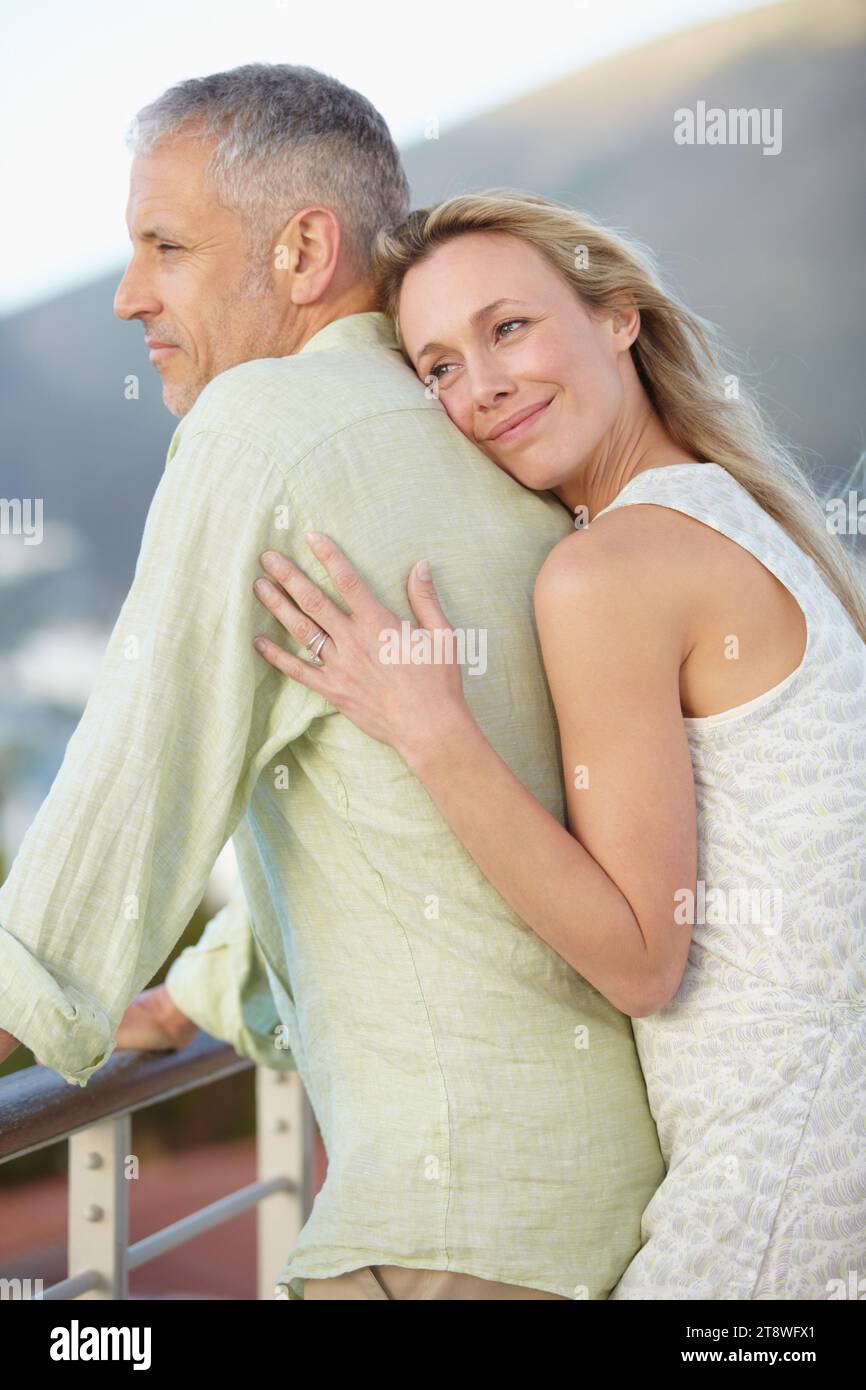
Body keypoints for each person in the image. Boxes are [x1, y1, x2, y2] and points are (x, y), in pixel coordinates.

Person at [0, 67, 666, 1301]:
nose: (129, 294)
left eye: (165, 246)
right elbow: (414, 837)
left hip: (452, 1236)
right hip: (598, 1204)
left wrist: (36, 994)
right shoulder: (483, 439)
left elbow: (119, 820)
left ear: (303, 250)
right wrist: (198, 990)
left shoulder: (261, 426)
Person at [247, 190, 866, 1300]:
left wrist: (427, 725)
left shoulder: (607, 570)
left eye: (509, 328)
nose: (480, 386)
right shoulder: (743, 517)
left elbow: (640, 959)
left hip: (774, 1210)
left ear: (618, 317)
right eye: (438, 367)